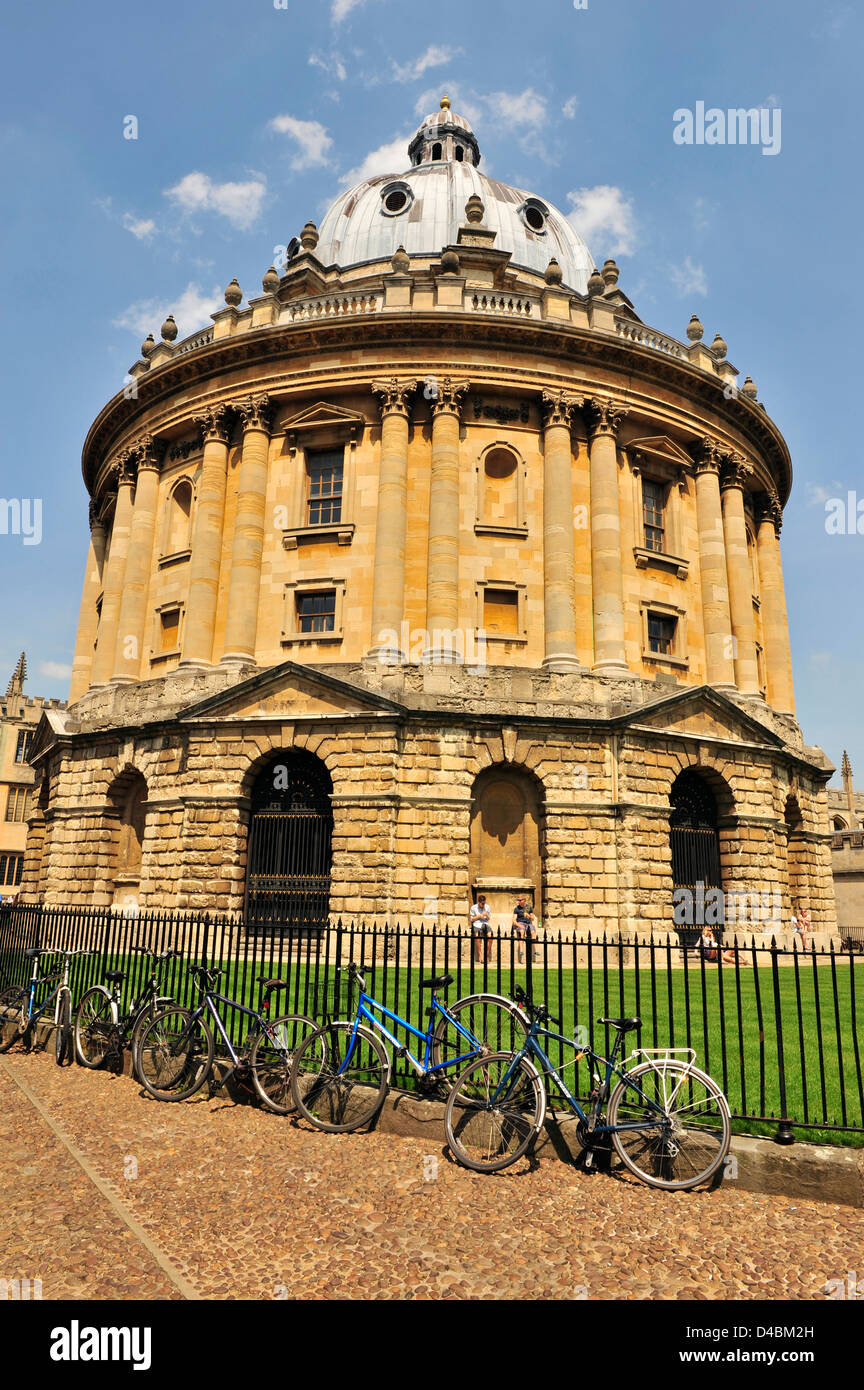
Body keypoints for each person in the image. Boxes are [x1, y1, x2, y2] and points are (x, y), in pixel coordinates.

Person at [512, 895, 538, 965]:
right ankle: (521, 950)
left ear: (524, 900)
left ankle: (535, 950)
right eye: (518, 900)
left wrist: (528, 916)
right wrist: (519, 925)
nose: (519, 902)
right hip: (520, 923)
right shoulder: (516, 909)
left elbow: (532, 918)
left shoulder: (529, 908)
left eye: (520, 900)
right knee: (521, 931)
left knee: (533, 932)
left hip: (528, 924)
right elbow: (514, 920)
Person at [469, 894, 492, 963]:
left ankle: (486, 955)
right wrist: (479, 916)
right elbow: (472, 919)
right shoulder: (473, 908)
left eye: (484, 903)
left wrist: (486, 915)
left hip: (485, 923)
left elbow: (488, 919)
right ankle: (480, 955)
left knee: (490, 937)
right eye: (482, 903)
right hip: (477, 924)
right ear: (478, 902)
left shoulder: (487, 907)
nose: (483, 905)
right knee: (477, 937)